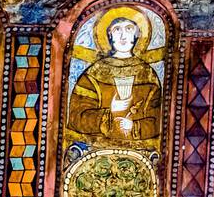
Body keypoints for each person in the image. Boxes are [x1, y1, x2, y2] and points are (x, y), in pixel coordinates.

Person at [66, 11, 162, 144]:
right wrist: (109, 112)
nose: (123, 36)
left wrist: (134, 126)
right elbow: (76, 118)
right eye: (117, 30)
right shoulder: (94, 73)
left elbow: (158, 120)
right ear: (110, 35)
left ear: (137, 35)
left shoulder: (148, 75)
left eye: (129, 29)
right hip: (96, 149)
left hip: (140, 150)